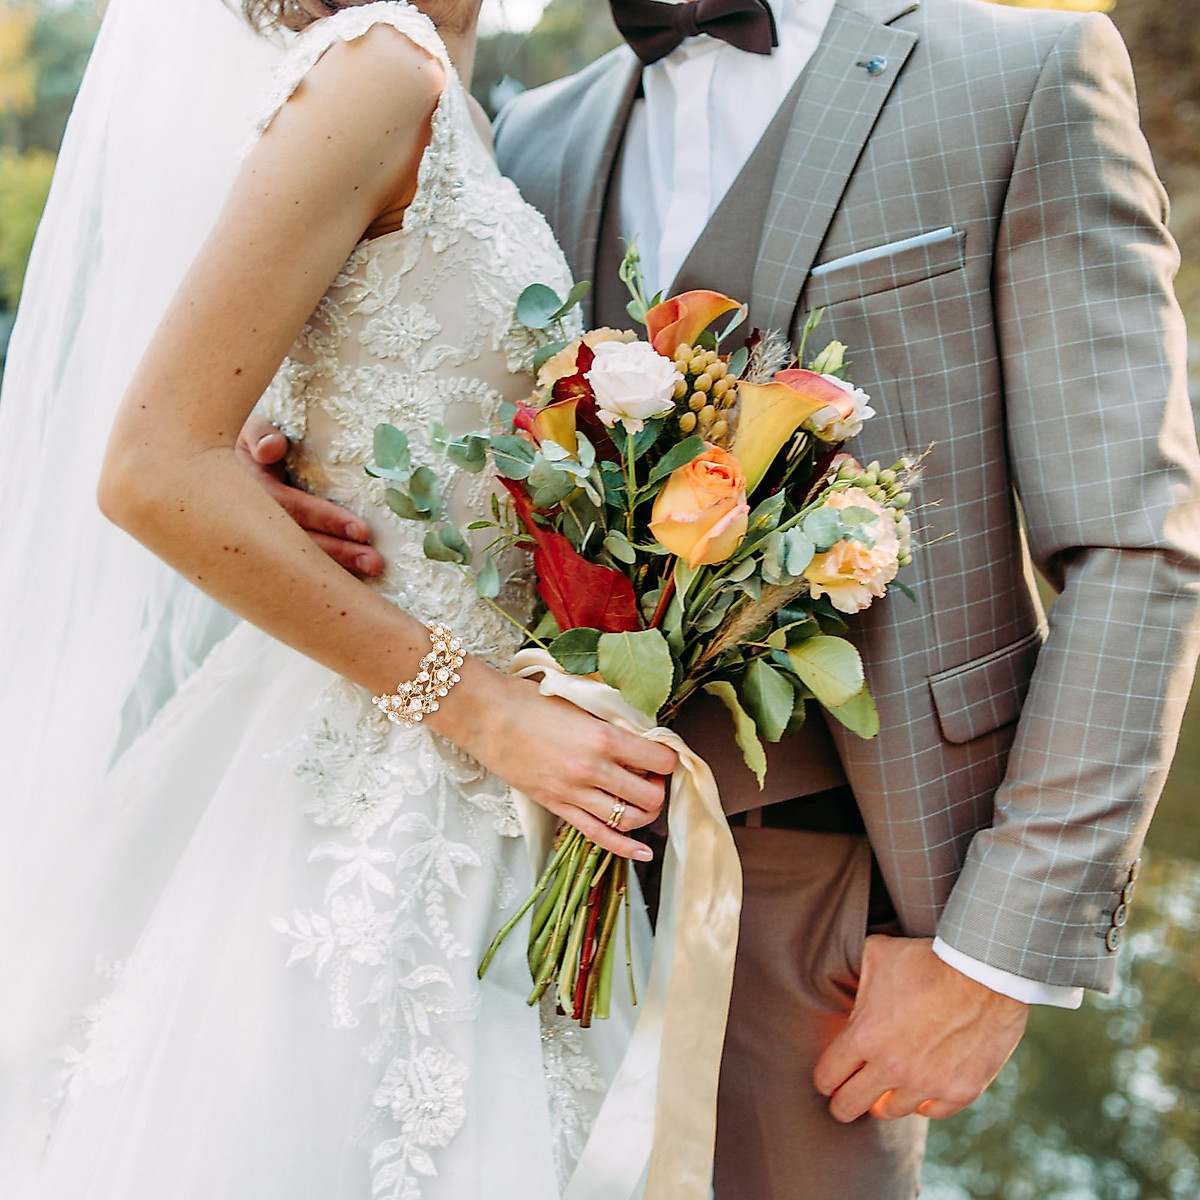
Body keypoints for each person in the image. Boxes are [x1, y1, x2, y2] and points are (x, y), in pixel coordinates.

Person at [250, 0, 1200, 1194]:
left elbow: (1136, 548)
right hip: (503, 892)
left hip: (828, 919)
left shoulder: (1019, 73)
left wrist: (992, 957)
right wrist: (288, 453)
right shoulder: (533, 130)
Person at [0, 1, 681, 1196]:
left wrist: (272, 446)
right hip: (395, 757)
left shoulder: (447, 97)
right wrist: (477, 708)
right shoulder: (377, 68)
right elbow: (153, 466)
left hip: (500, 787)